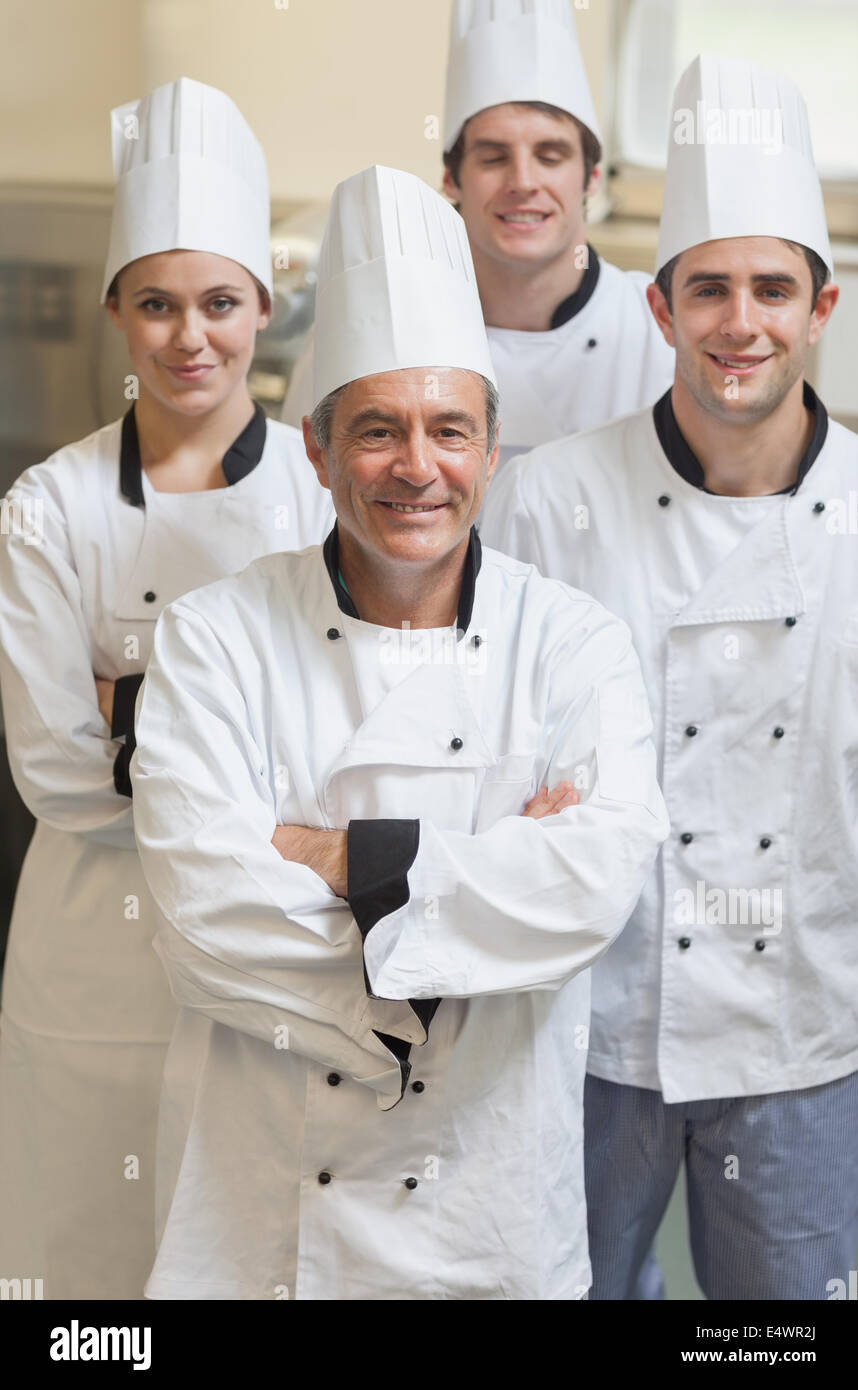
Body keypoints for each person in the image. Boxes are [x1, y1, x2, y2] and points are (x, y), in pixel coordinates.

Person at [130, 163, 668, 1301]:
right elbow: (198, 916)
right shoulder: (216, 637)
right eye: (376, 431)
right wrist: (473, 912)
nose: (415, 468)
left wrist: (332, 855)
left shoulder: (572, 642)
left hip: (491, 1213)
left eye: (447, 430)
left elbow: (589, 886)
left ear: (488, 446)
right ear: (318, 452)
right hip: (268, 1212)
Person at [483, 54, 858, 1300]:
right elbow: (482, 738)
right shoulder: (547, 500)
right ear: (660, 309)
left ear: (821, 309)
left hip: (805, 1023)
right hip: (589, 1020)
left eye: (770, 289)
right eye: (707, 289)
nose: (737, 322)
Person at [0, 76, 333, 1300]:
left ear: (261, 309)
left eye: (218, 303)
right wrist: (249, 742)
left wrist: (123, 697)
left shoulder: (321, 496)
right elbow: (53, 773)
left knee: (236, 1267)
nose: (189, 338)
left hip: (264, 966)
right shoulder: (51, 508)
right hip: (90, 967)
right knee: (80, 1279)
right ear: (115, 312)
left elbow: (337, 752)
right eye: (156, 305)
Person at [283, 0, 673, 463]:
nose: (524, 182)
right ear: (451, 179)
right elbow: (307, 495)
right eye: (493, 157)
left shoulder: (660, 329)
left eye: (550, 156)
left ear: (591, 177)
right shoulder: (370, 323)